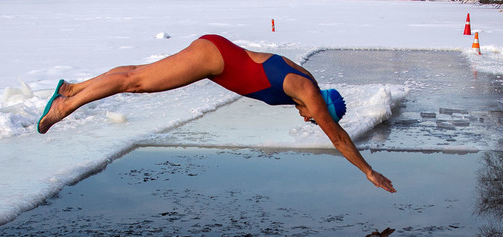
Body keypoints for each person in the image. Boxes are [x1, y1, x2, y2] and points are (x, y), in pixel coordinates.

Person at [37, 34, 396, 193]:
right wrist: (368, 171)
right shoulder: (306, 91)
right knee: (136, 82)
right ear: (322, 108)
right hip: (214, 59)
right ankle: (65, 105)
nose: (308, 120)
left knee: (135, 74)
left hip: (216, 54)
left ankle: (73, 89)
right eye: (314, 118)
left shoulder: (305, 84)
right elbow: (337, 137)